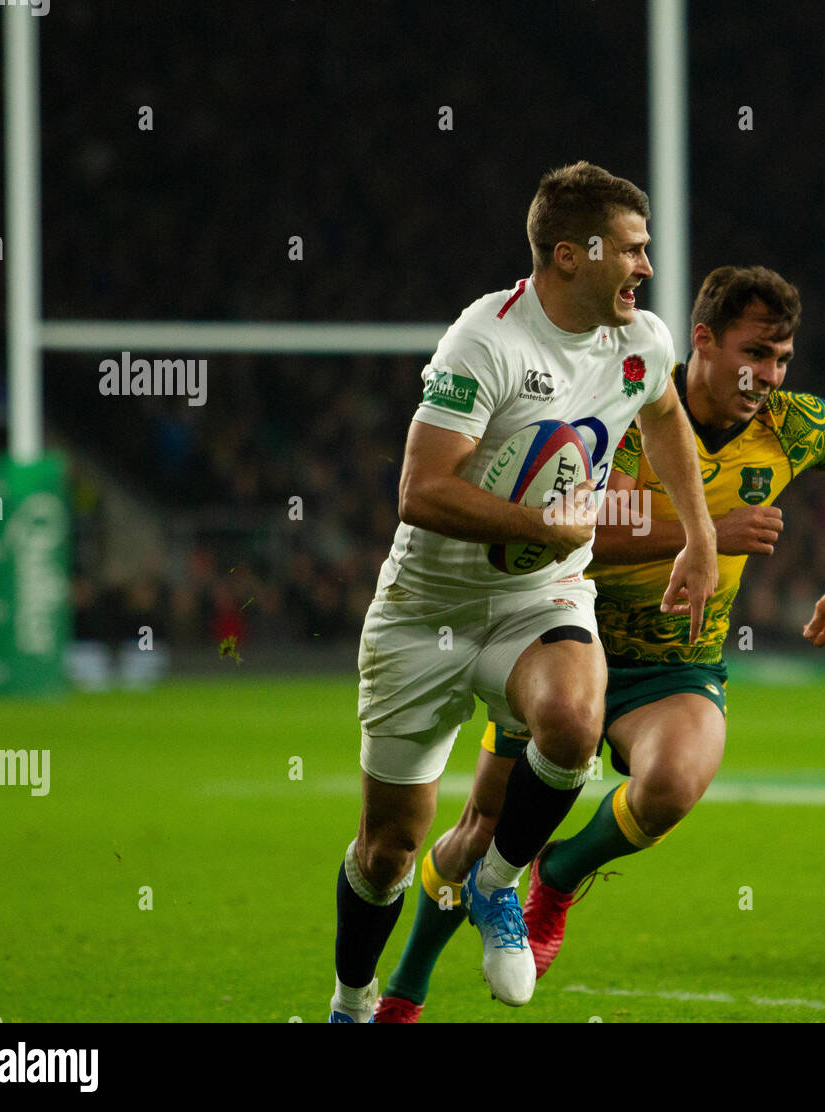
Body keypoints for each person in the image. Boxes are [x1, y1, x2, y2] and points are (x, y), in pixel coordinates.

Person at [373, 264, 825, 1021]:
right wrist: (703, 534)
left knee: (674, 784)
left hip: (675, 666)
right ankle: (404, 994)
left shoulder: (791, 426)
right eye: (754, 354)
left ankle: (562, 872)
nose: (767, 377)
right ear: (702, 340)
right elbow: (572, 534)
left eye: (781, 359)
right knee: (479, 832)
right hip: (561, 647)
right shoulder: (628, 396)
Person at [328, 162, 718, 1021]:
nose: (646, 267)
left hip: (537, 599)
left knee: (574, 724)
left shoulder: (641, 341)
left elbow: (664, 421)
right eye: (632, 249)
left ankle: (497, 881)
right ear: (572, 256)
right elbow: (420, 491)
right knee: (390, 850)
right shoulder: (486, 341)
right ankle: (352, 1003)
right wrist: (541, 525)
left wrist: (699, 532)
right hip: (424, 612)